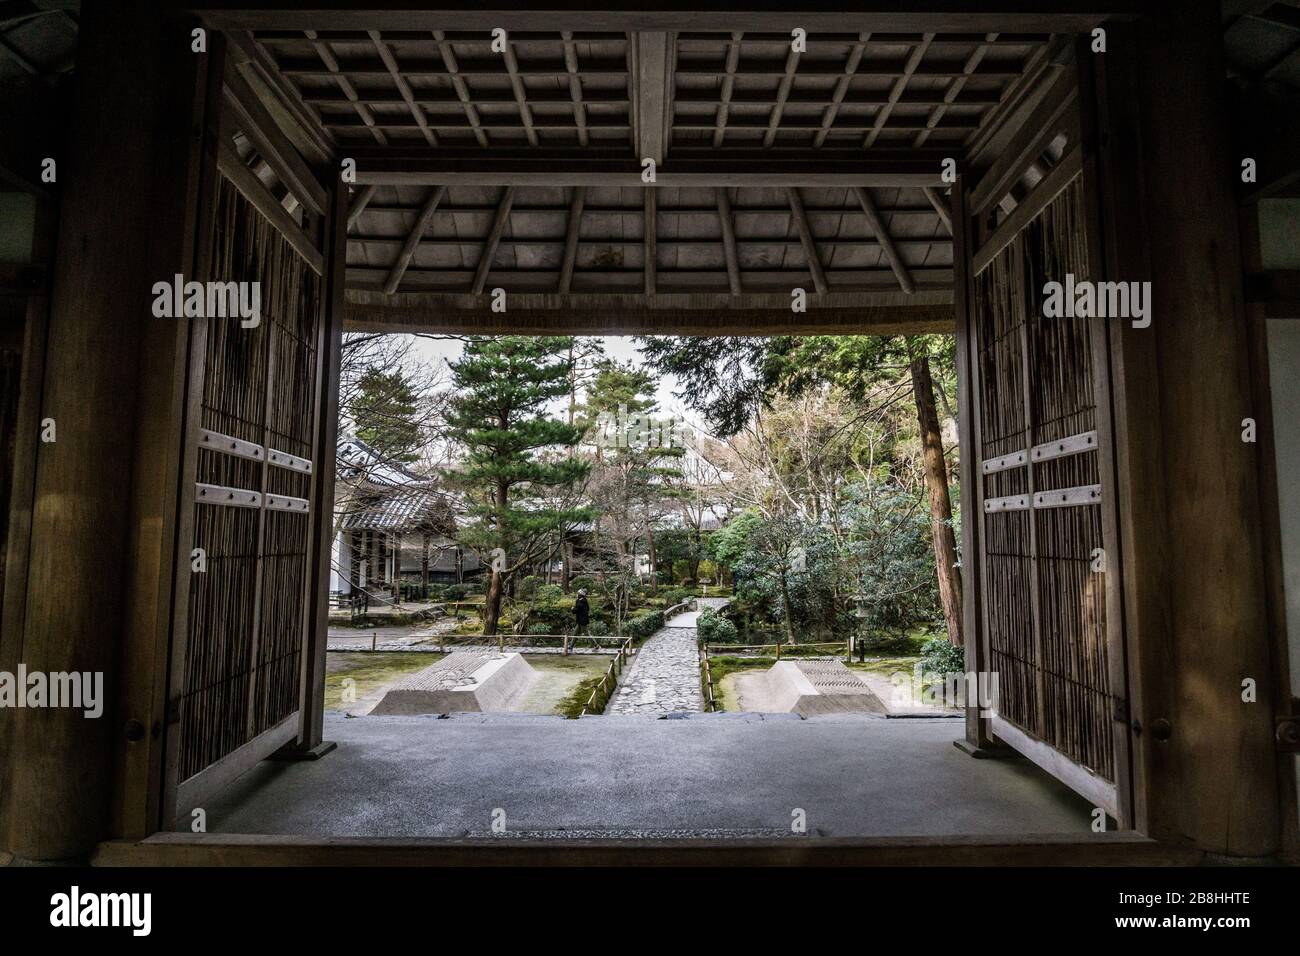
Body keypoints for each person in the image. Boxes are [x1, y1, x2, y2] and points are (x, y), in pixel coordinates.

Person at [568, 588, 590, 656]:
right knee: (575, 633)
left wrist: (572, 609)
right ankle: (571, 646)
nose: (577, 594)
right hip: (580, 620)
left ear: (581, 595)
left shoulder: (582, 602)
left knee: (587, 634)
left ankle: (596, 645)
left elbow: (575, 610)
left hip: (583, 621)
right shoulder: (581, 600)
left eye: (578, 593)